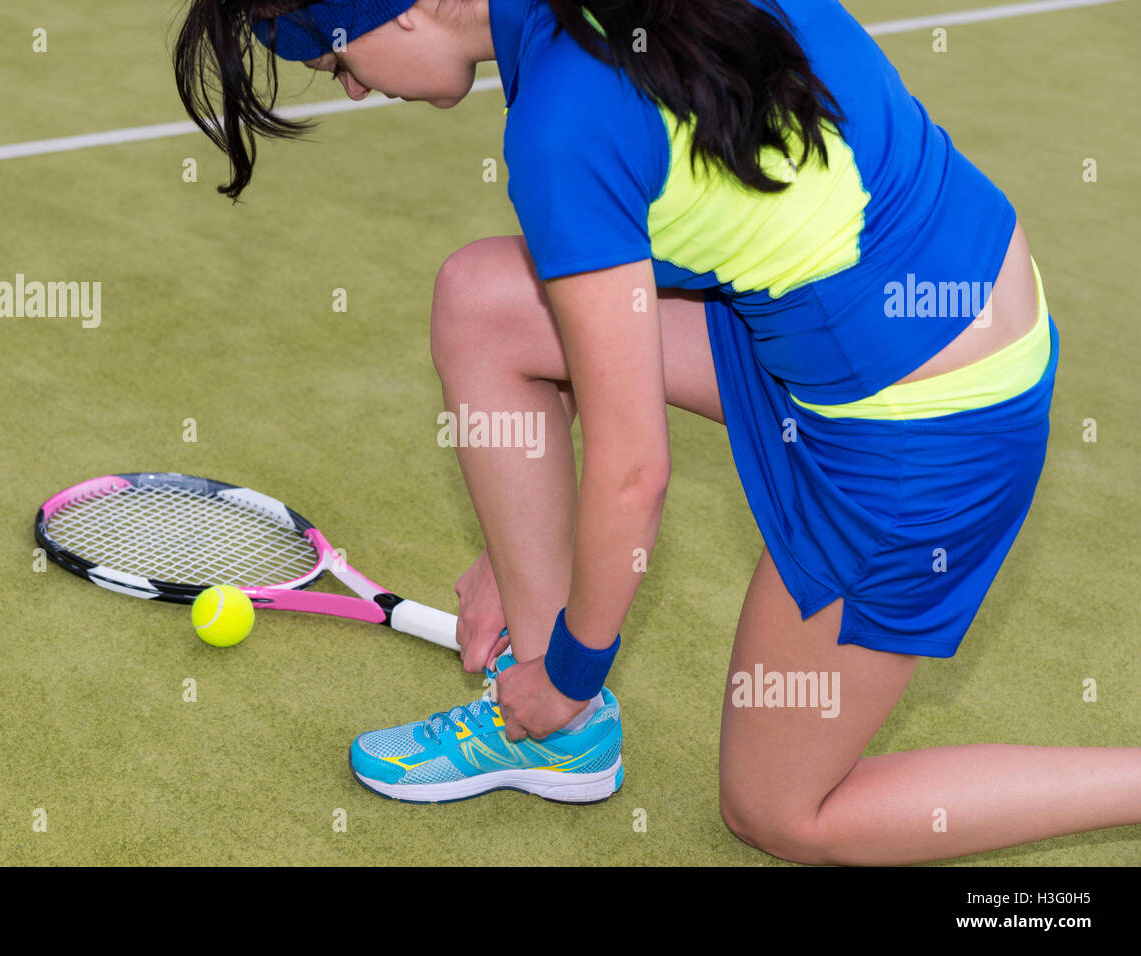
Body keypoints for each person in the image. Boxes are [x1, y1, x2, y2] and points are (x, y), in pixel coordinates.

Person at [174, 0, 1141, 864]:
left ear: (405, 10)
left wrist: (568, 666)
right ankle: (564, 737)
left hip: (925, 440)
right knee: (483, 302)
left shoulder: (559, 123)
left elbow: (635, 473)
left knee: (782, 813)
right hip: (916, 321)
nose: (353, 89)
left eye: (337, 65)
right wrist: (523, 553)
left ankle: (556, 715)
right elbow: (683, 235)